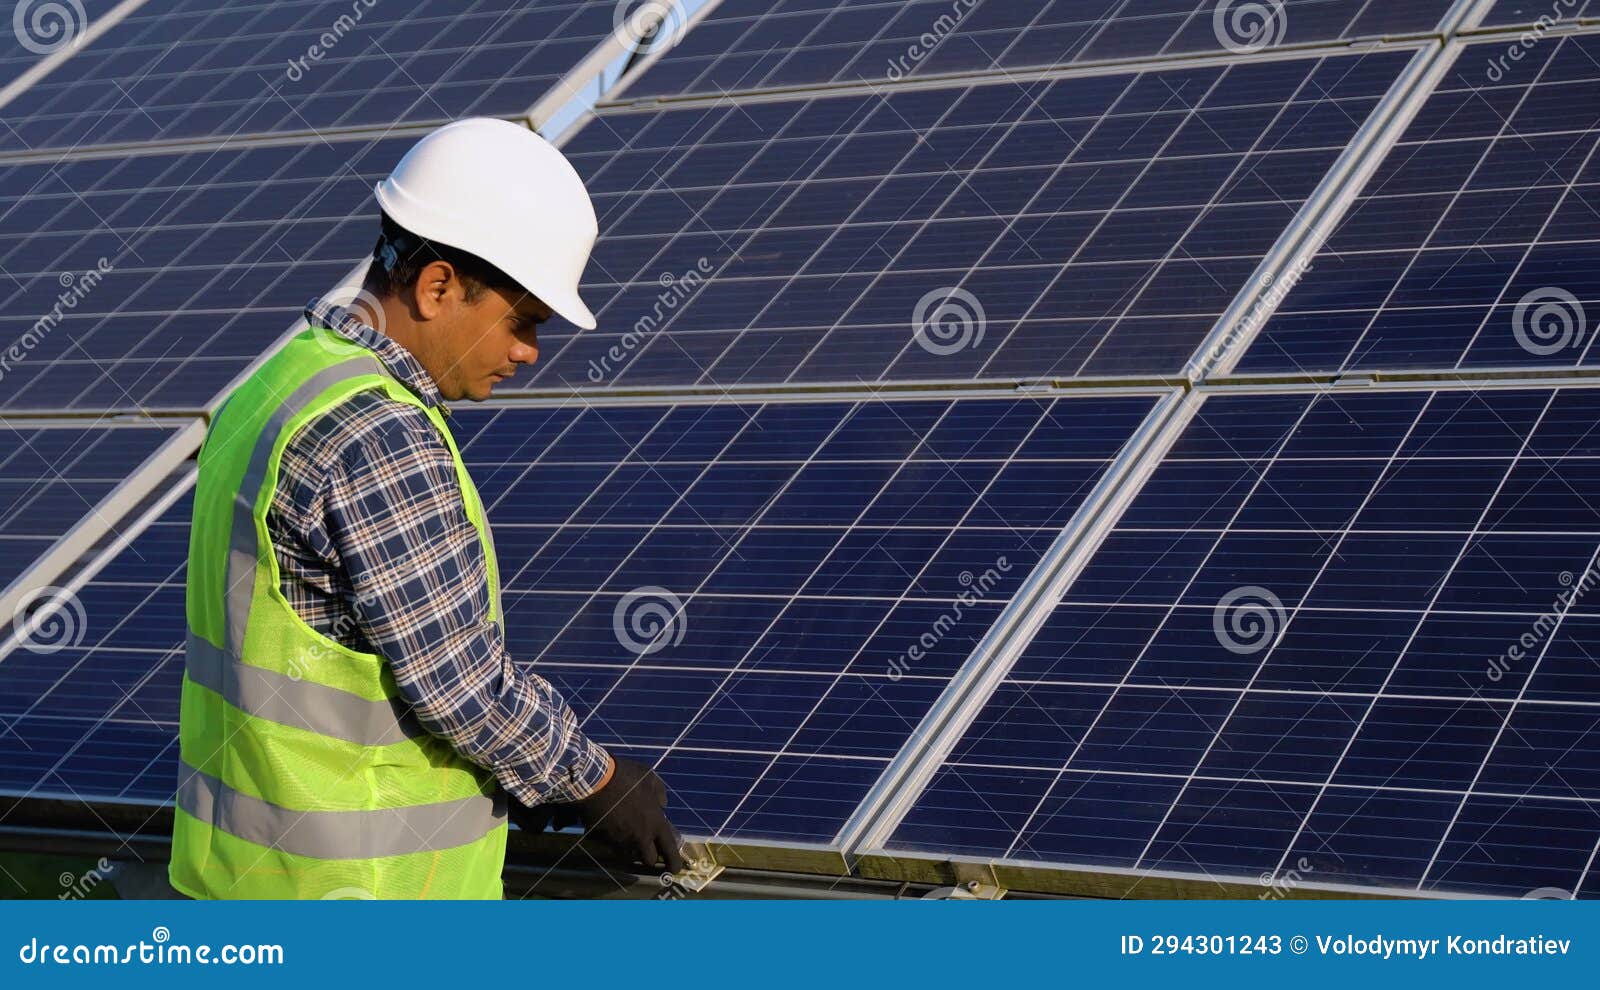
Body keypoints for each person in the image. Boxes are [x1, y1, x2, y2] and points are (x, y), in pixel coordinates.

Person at [169, 117, 682, 900]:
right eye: (522, 320)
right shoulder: (377, 433)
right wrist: (596, 782)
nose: (529, 351)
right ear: (438, 286)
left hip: (241, 882)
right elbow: (458, 682)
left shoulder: (277, 384)